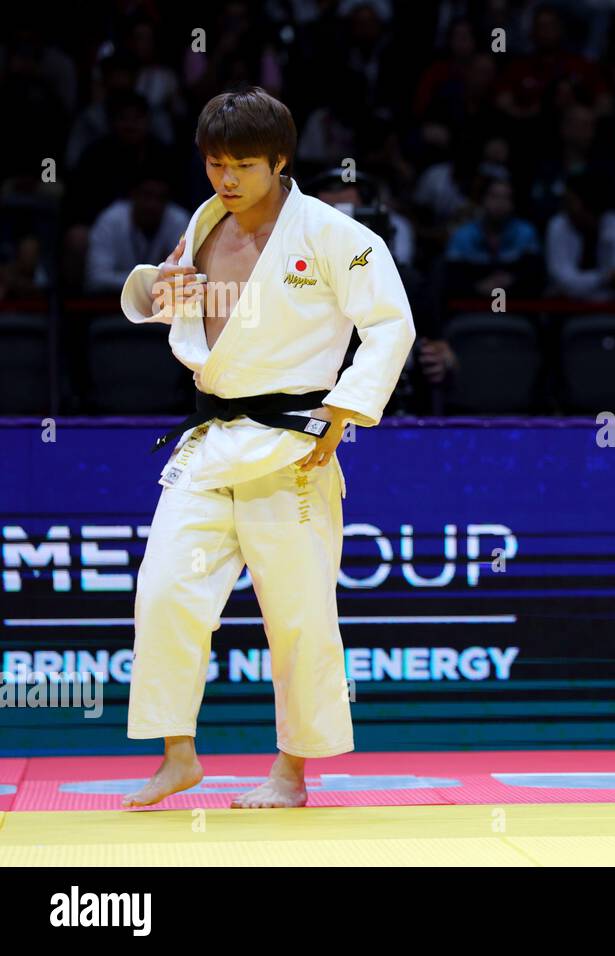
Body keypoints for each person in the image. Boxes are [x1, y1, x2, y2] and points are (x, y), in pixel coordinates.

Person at [116, 86, 415, 809]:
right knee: (163, 594)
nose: (226, 178)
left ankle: (290, 773)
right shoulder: (206, 221)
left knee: (299, 616)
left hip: (294, 453)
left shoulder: (333, 234)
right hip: (212, 441)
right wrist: (168, 288)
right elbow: (188, 316)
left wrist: (345, 407)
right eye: (216, 163)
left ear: (280, 161)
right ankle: (178, 755)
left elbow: (390, 324)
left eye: (243, 165)